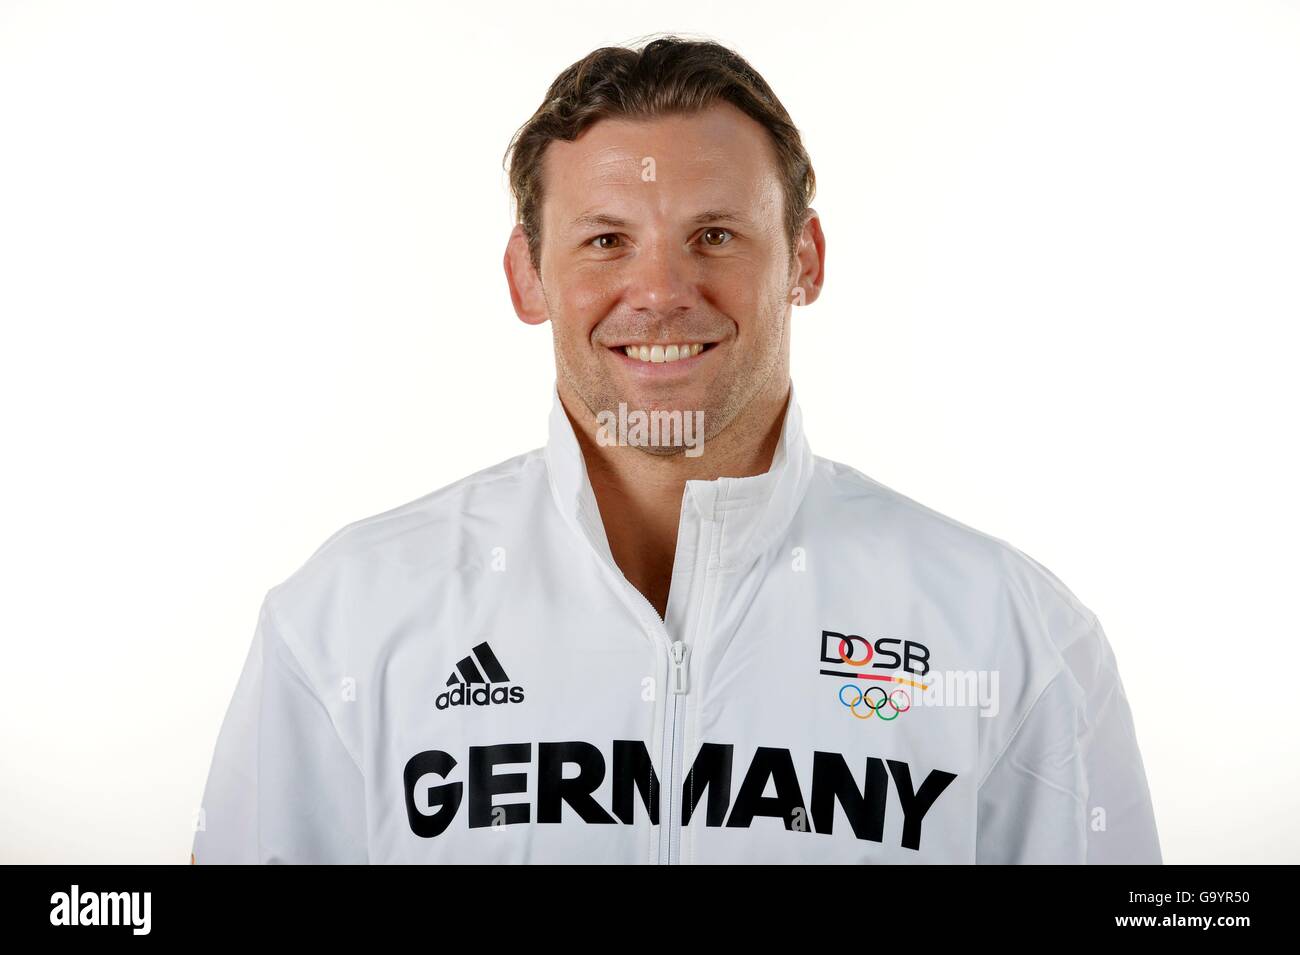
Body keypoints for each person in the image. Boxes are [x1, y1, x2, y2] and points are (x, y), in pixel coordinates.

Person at [191, 34, 1161, 864]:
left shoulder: (1010, 635)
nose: (659, 290)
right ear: (526, 276)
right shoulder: (348, 619)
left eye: (715, 235)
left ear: (805, 260)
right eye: (606, 240)